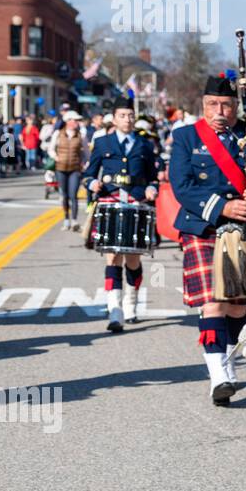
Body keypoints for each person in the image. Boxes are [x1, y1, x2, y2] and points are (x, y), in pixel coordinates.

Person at [169, 75, 246, 405]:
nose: (219, 111)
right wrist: (224, 206)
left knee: (236, 303)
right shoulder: (186, 137)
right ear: (202, 106)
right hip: (204, 226)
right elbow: (181, 185)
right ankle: (218, 375)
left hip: (245, 229)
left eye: (226, 105)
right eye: (212, 105)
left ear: (235, 107)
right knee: (213, 301)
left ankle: (228, 362)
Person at [82, 99, 160, 332]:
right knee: (113, 257)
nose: (127, 119)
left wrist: (152, 188)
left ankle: (131, 303)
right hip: (110, 202)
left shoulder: (145, 145)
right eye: (123, 115)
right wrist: (93, 183)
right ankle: (115, 308)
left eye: (130, 115)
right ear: (114, 119)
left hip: (136, 202)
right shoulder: (103, 142)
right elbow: (89, 174)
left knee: (133, 259)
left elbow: (153, 177)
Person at [48, 111, 86, 231]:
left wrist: (85, 163)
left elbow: (86, 152)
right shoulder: (58, 134)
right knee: (64, 195)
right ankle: (66, 219)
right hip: (61, 168)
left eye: (77, 120)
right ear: (68, 121)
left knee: (73, 195)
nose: (76, 122)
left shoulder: (81, 135)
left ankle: (74, 220)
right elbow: (51, 149)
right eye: (74, 120)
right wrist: (56, 157)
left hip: (74, 168)